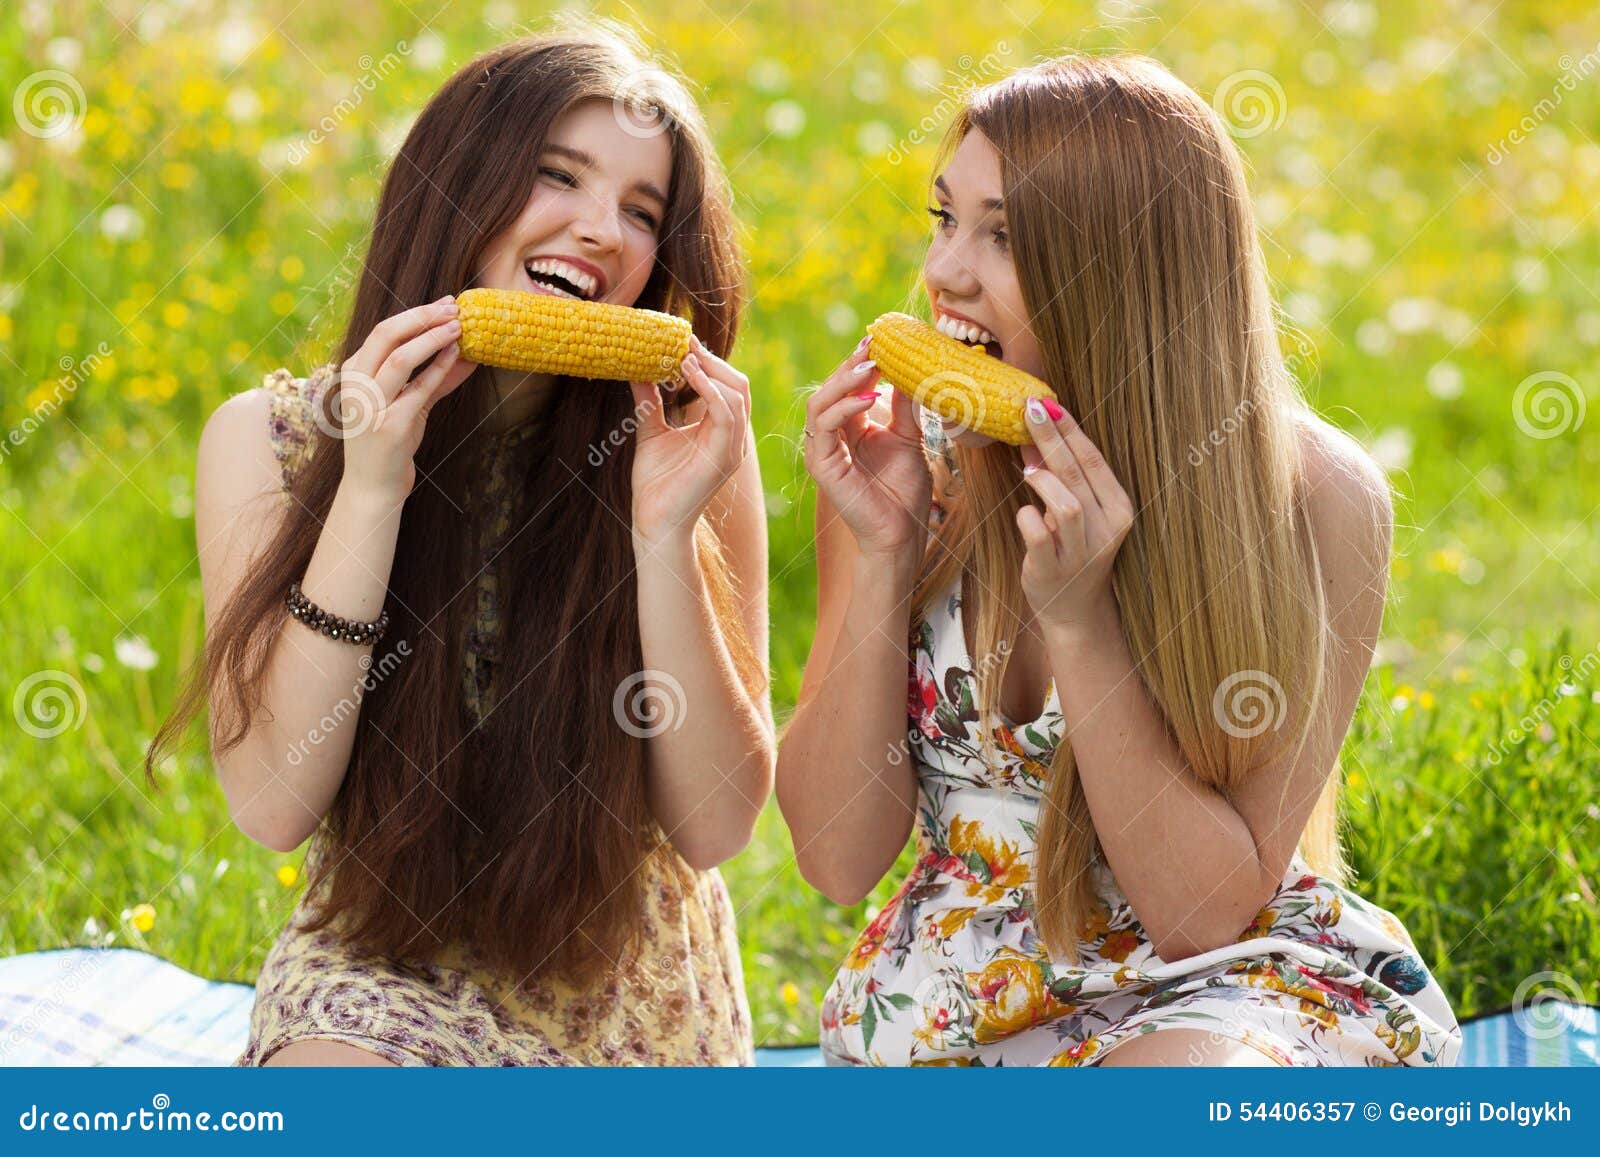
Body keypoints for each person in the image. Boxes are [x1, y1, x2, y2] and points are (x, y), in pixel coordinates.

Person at [778, 53, 1462, 1067]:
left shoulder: (1311, 496)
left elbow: (1202, 917)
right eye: (944, 218)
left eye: (1004, 236)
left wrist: (1080, 620)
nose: (945, 273)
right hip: (954, 997)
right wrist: (882, 550)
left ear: (1126, 271)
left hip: (1220, 988)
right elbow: (835, 857)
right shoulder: (905, 463)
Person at [144, 24, 774, 1067]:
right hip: (383, 961)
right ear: (455, 188)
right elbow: (271, 802)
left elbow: (714, 825)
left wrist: (661, 534)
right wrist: (372, 488)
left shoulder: (684, 449)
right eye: (556, 177)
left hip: (623, 983)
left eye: (640, 213)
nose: (598, 230)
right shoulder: (267, 443)